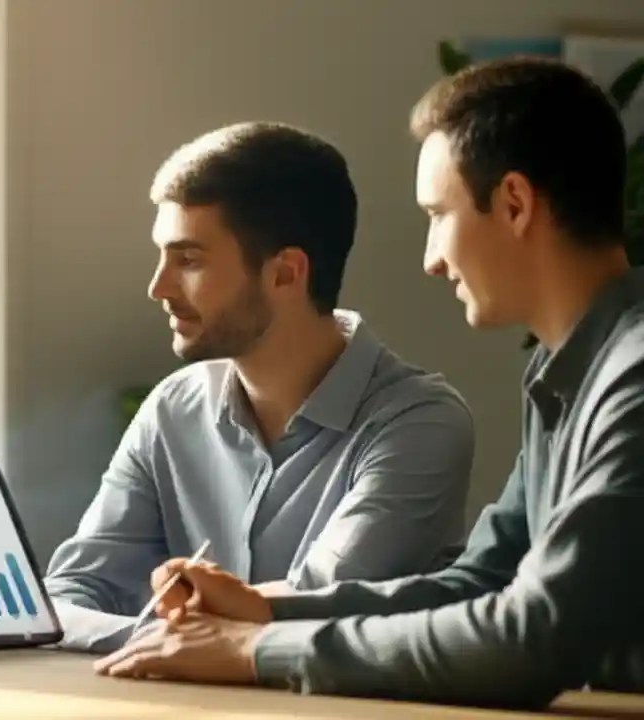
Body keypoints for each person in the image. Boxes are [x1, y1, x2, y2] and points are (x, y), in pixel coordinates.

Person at [94, 57, 644, 709]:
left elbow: (533, 636)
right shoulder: (570, 374)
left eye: (438, 215)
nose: (432, 259)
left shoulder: (630, 379)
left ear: (516, 204)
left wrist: (254, 651)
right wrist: (268, 612)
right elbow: (481, 582)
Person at [44, 122, 475, 652]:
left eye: (189, 259)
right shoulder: (173, 409)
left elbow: (318, 606)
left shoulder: (418, 424)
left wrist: (185, 640)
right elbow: (68, 597)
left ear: (286, 274)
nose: (158, 287)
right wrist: (172, 640)